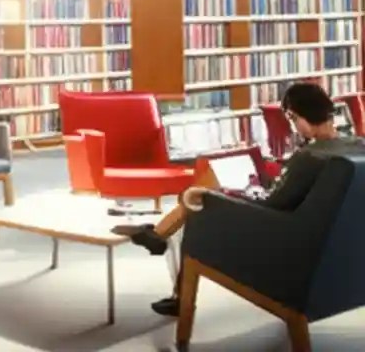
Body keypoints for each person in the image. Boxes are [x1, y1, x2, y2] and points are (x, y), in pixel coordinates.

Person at [114, 82, 365, 316]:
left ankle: (173, 275)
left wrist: (228, 196)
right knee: (218, 175)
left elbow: (272, 206)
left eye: (291, 118)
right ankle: (158, 234)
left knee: (198, 199)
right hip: (335, 245)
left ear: (297, 116)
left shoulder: (310, 157)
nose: (291, 125)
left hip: (279, 239)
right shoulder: (358, 147)